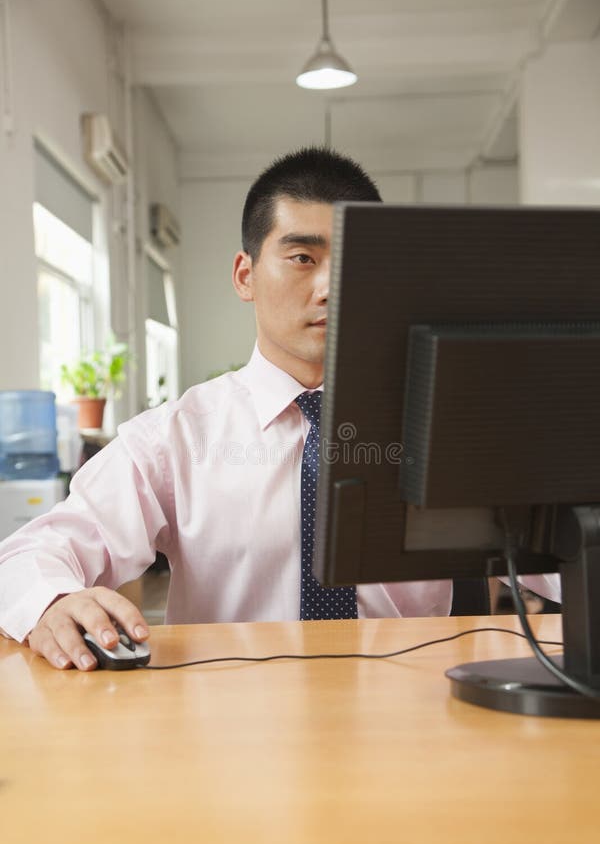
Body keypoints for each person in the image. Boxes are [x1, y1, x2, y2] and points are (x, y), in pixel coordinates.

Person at [0, 147, 560, 670]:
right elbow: (28, 554)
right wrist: (51, 601)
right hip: (234, 731)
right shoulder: (174, 439)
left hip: (418, 716)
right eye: (301, 257)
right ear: (246, 275)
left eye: (357, 260)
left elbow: (571, 553)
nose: (330, 287)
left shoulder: (453, 429)